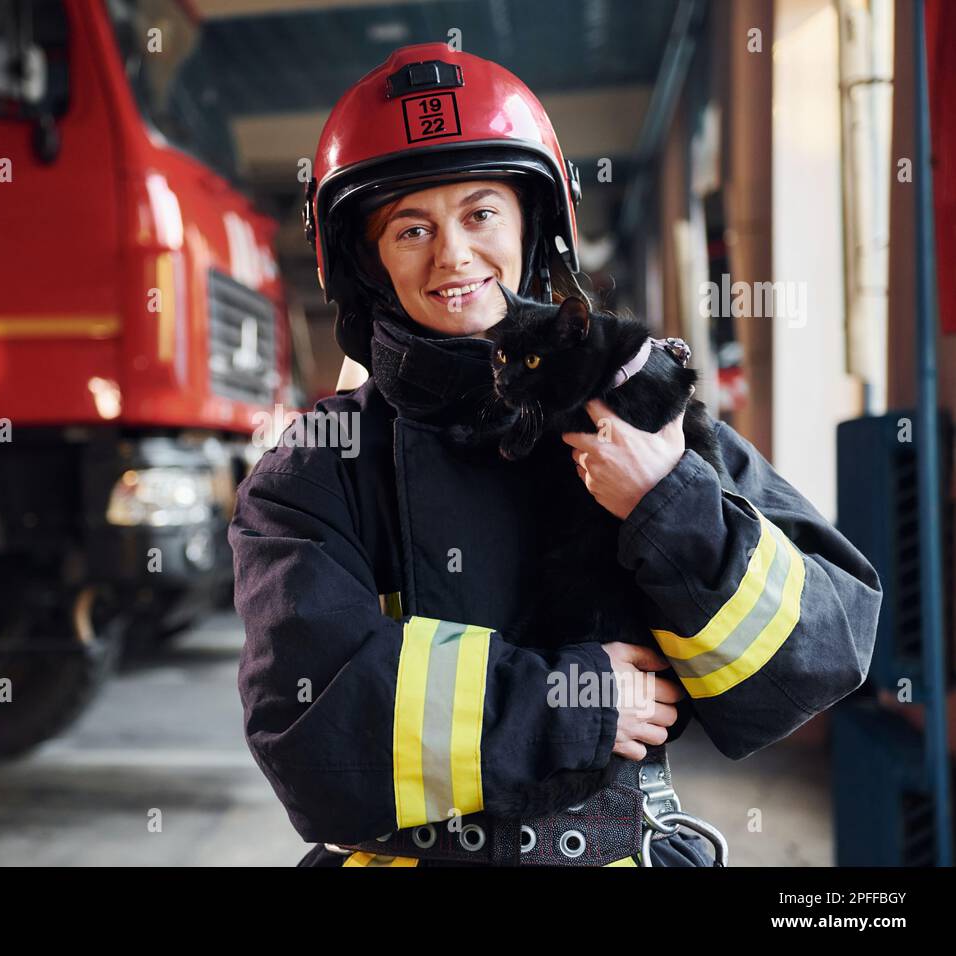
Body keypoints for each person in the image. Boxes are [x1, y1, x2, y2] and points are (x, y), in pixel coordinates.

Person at [228, 43, 881, 867]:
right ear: (365, 264)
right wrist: (577, 702)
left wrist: (668, 505)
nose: (453, 255)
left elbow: (824, 652)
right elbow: (309, 733)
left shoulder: (642, 420)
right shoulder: (317, 469)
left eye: (480, 213)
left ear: (536, 226)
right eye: (411, 228)